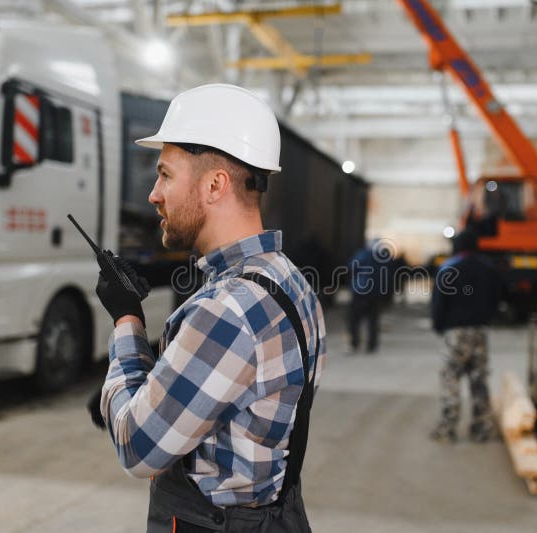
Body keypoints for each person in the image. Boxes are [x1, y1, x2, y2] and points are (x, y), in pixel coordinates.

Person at [95, 84, 326, 532]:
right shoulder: (288, 279)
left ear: (215, 184)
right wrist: (147, 385)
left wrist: (127, 321)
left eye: (165, 174)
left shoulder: (227, 311)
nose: (153, 194)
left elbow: (137, 447)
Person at [430, 229, 501, 442]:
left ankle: (447, 428)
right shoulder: (489, 268)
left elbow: (439, 301)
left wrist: (439, 325)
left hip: (457, 331)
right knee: (479, 377)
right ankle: (482, 428)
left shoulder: (449, 268)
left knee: (451, 375)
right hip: (480, 329)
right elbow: (497, 297)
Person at [347, 239, 391, 353]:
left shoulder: (363, 254)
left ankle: (355, 343)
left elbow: (352, 266)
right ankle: (372, 345)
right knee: (373, 320)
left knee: (354, 319)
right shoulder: (384, 258)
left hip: (360, 291)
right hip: (375, 292)